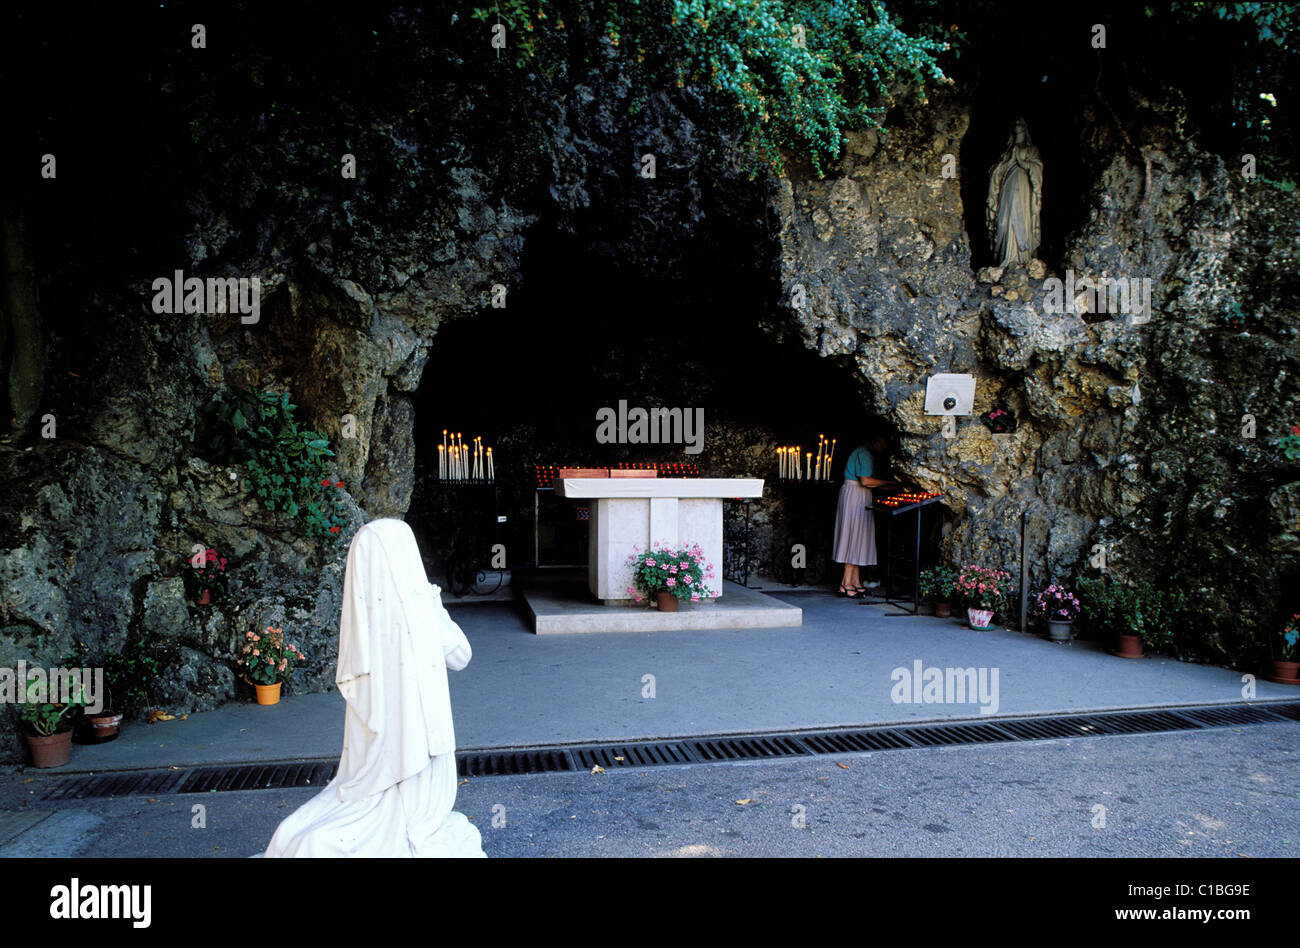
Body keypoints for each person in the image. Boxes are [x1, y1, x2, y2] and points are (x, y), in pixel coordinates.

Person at [264, 518, 485, 858]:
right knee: (317, 837)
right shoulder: (420, 609)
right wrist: (434, 607)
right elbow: (461, 655)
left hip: (389, 768)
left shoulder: (366, 630)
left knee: (306, 835)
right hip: (420, 766)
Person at [832, 430, 897, 597]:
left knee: (859, 537)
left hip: (858, 494)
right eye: (883, 443)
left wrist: (892, 487)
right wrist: (890, 482)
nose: (884, 447)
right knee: (853, 536)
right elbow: (866, 481)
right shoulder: (865, 453)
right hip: (856, 494)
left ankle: (855, 581)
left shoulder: (864, 452)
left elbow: (871, 483)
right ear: (876, 441)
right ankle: (845, 583)